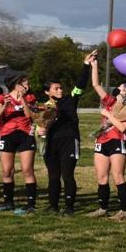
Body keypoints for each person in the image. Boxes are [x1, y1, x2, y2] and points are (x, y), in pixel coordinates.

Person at [36, 58, 91, 215]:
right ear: (47, 92)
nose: (60, 90)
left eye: (61, 88)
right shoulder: (44, 107)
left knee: (67, 175)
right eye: (56, 88)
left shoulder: (71, 99)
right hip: (51, 143)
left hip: (69, 141)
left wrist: (86, 65)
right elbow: (39, 124)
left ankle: (69, 208)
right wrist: (40, 131)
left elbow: (80, 84)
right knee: (53, 176)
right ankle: (53, 205)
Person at [85, 52, 126, 219]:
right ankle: (103, 208)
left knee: (118, 176)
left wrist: (108, 116)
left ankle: (124, 211)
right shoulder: (110, 101)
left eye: (122, 87)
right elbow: (95, 85)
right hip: (102, 141)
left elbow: (122, 127)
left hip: (117, 141)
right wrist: (94, 66)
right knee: (101, 176)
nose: (119, 87)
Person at [0, 76, 40, 214]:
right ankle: (8, 203)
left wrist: (22, 98)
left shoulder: (30, 97)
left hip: (25, 134)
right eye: (25, 83)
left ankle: (31, 205)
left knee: (27, 169)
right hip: (7, 134)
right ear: (16, 85)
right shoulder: (3, 98)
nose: (27, 85)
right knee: (7, 171)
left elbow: (30, 115)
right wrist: (5, 104)